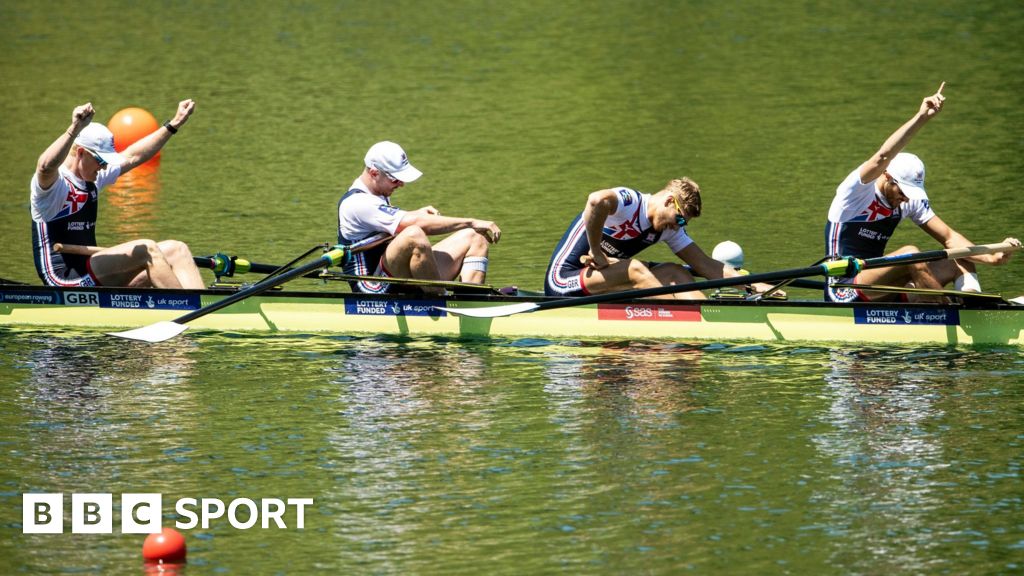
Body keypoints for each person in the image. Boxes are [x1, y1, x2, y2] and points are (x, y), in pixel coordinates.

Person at [824, 83, 1020, 302]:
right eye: (903, 190)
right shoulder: (856, 192)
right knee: (911, 253)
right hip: (844, 288)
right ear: (887, 176)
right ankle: (945, 308)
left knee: (960, 256)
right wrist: (922, 117)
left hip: (880, 286)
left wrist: (992, 257)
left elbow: (949, 237)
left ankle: (972, 303)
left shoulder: (908, 200)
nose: (905, 198)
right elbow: (882, 156)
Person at [31, 100, 203, 289]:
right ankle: (183, 304)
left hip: (92, 273)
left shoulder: (92, 177)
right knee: (147, 249)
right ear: (81, 153)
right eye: (101, 161)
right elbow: (45, 166)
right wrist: (74, 129)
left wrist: (174, 124)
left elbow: (133, 156)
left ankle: (203, 304)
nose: (104, 167)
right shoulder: (53, 186)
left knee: (177, 250)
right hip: (63, 280)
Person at [544, 178, 776, 299]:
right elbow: (596, 200)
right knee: (635, 269)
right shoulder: (630, 202)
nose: (678, 226)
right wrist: (596, 251)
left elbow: (707, 266)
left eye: (683, 223)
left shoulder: (668, 229)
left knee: (676, 272)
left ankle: (706, 320)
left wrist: (755, 287)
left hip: (599, 279)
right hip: (563, 281)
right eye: (680, 218)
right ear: (669, 201)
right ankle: (675, 320)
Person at [337, 141, 501, 295]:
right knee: (414, 234)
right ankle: (441, 300)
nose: (401, 184)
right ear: (374, 173)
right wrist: (471, 222)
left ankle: (471, 302)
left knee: (474, 237)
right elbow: (414, 224)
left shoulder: (377, 193)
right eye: (395, 179)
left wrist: (416, 213)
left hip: (393, 276)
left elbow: (391, 221)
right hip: (372, 287)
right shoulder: (356, 203)